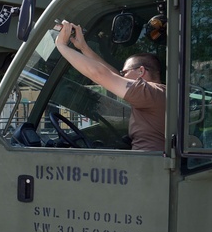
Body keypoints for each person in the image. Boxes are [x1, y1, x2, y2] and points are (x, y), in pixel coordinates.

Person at [54, 20, 166, 151]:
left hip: (147, 167)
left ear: (141, 71)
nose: (122, 76)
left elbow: (101, 74)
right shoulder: (156, 95)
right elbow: (112, 74)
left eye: (124, 72)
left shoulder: (150, 93)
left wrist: (61, 45)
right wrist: (83, 47)